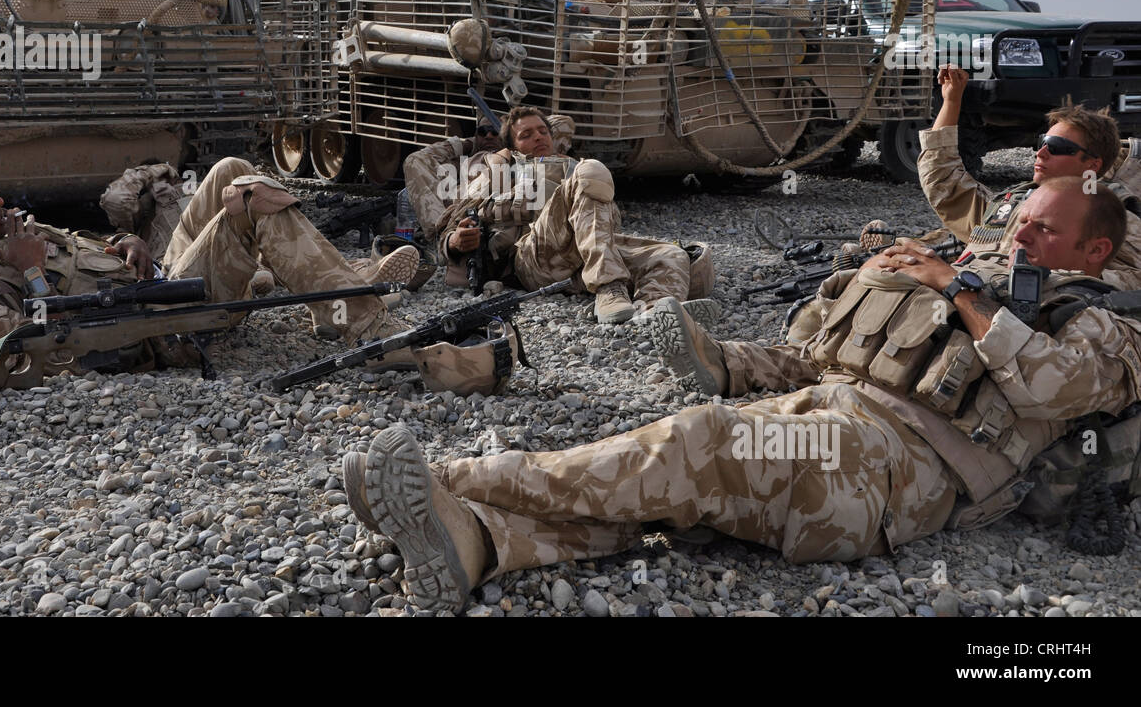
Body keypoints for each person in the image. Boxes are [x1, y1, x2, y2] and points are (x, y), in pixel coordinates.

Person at [344, 178, 1139, 613]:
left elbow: (1047, 386)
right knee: (678, 491)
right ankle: (480, 540)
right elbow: (826, 352)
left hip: (901, 470)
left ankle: (458, 479)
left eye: (1042, 230)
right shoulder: (982, 270)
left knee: (702, 444)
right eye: (1020, 220)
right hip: (835, 414)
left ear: (1094, 248)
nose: (1018, 236)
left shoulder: (1102, 321)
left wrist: (958, 284)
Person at [0, 155, 417, 378]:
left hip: (157, 274)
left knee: (230, 168)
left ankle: (333, 295)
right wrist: (33, 276)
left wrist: (123, 240)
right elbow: (18, 359)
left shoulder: (9, 231)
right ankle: (365, 319)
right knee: (249, 199)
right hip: (169, 319)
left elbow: (78, 245)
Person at [436, 106, 711, 324]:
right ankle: (609, 286)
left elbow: (610, 220)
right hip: (532, 260)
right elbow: (454, 221)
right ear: (513, 147)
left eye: (543, 131)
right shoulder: (498, 173)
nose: (538, 137)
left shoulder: (574, 168)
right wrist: (455, 242)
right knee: (589, 171)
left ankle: (654, 315)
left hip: (584, 256)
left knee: (671, 255)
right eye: (526, 134)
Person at [918, 63, 1141, 287]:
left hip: (1005, 314)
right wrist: (952, 101)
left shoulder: (1107, 215)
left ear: (1093, 164)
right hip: (959, 294)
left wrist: (1045, 279)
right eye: (1042, 142)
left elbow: (1133, 279)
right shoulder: (1013, 203)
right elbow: (945, 182)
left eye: (1057, 146)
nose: (1041, 153)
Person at [402, 120, 504, 242]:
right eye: (483, 132)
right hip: (457, 209)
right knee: (414, 162)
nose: (488, 136)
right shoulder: (468, 157)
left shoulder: (515, 156)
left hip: (493, 211)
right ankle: (439, 234)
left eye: (495, 131)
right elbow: (419, 158)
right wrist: (465, 145)